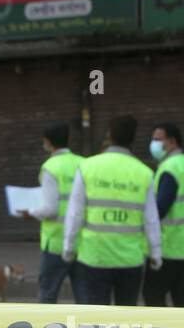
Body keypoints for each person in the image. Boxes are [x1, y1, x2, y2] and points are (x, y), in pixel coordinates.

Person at [62, 115, 161, 306]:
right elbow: (151, 219)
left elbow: (75, 214)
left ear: (109, 136)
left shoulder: (87, 167)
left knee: (97, 320)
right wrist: (155, 253)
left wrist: (69, 247)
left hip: (95, 257)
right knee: (125, 320)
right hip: (130, 259)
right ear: (133, 138)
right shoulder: (144, 173)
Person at [17, 121, 82, 303]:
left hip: (56, 243)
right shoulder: (84, 163)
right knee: (86, 297)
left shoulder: (51, 167)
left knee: (48, 294)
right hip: (83, 242)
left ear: (47, 142)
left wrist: (29, 212)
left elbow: (50, 209)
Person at [143, 122, 184, 307]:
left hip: (168, 246)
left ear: (172, 142)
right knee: (182, 299)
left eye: (157, 139)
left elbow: (160, 209)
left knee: (153, 295)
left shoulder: (170, 168)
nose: (153, 144)